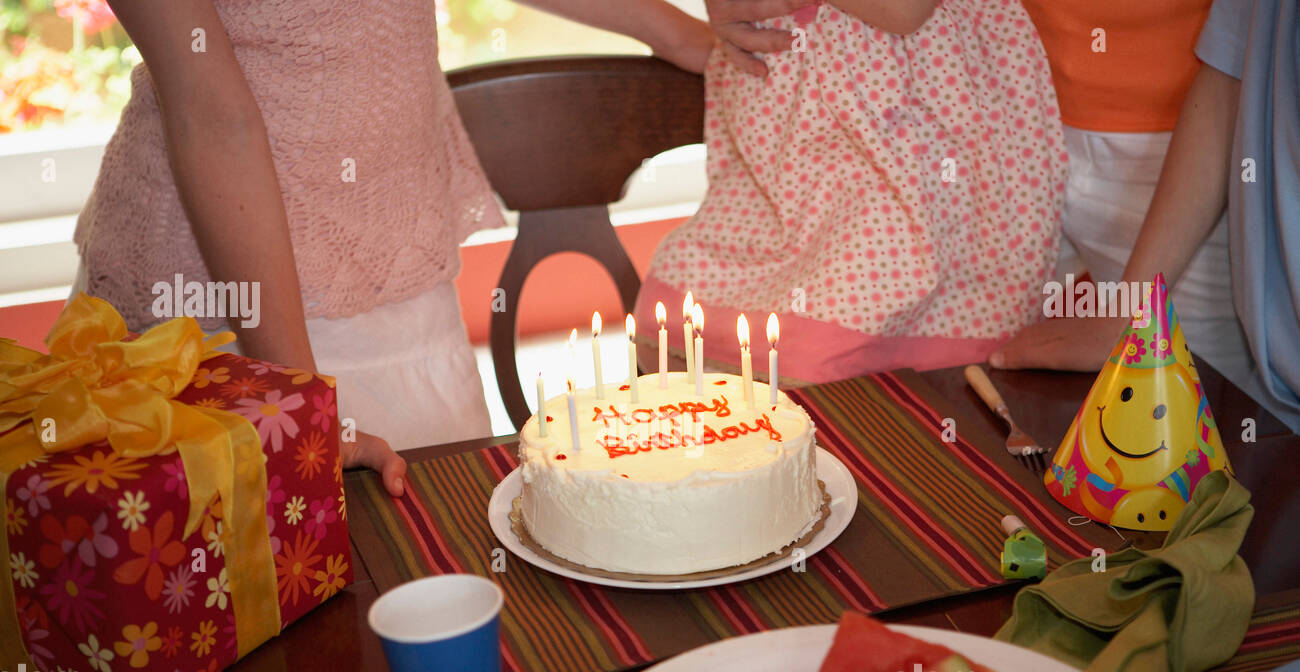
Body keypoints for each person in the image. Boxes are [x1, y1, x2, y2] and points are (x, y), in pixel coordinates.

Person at [74, 0, 717, 496]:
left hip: (405, 288)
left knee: (443, 569)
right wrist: (303, 405)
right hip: (229, 318)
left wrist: (671, 28)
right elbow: (213, 113)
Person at [635, 0, 1068, 384]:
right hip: (782, 166)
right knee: (705, 335)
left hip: (907, 140)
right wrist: (681, 31)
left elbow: (904, 12)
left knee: (848, 359)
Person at [995, 0, 1300, 434]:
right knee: (1038, 406)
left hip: (1179, 161)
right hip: (1017, 116)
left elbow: (1231, 67)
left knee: (1190, 435)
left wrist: (1128, 308)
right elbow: (1232, 59)